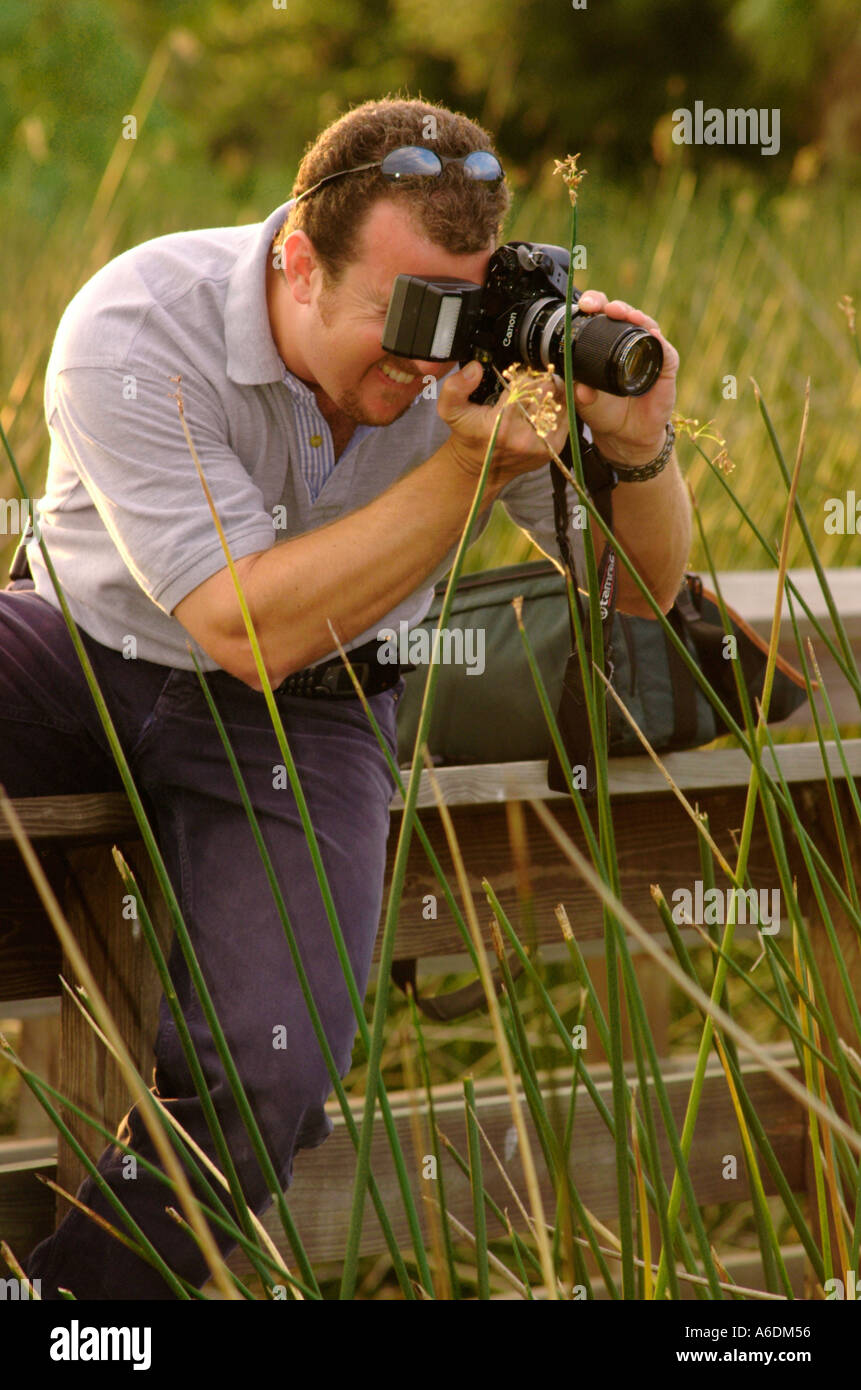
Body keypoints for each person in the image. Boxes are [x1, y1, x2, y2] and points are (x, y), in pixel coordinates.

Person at [5, 97, 690, 1299]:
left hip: (311, 710)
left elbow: (641, 590)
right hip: (84, 647)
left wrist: (639, 448)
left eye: (462, 306)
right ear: (298, 260)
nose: (433, 354)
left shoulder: (470, 360)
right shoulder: (137, 320)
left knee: (269, 1075)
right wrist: (463, 471)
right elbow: (239, 620)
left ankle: (68, 1308)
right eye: (408, 310)